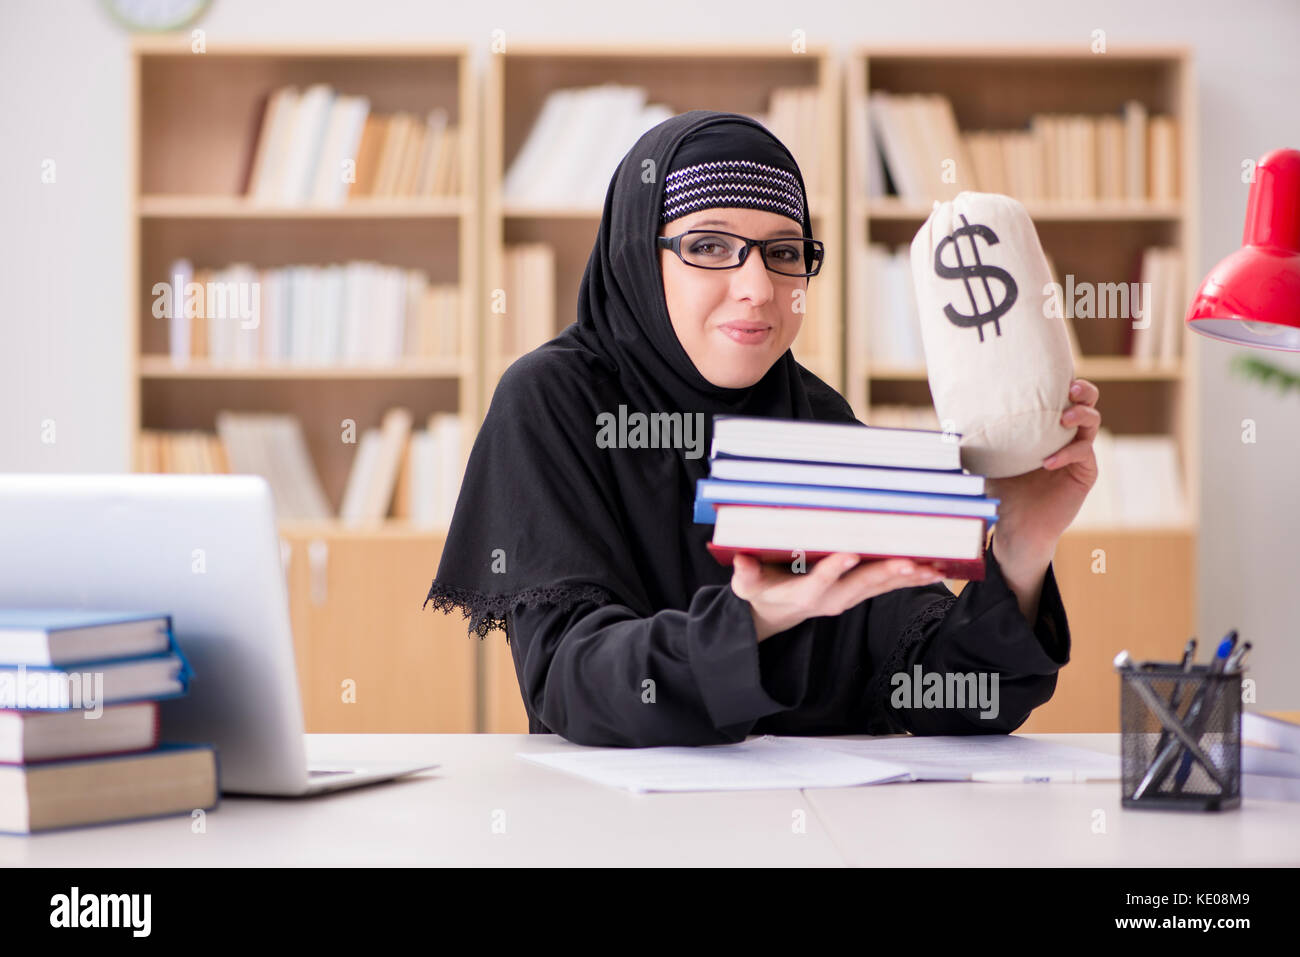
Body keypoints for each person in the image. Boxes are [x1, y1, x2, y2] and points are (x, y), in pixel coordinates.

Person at [423, 109, 1101, 747]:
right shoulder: (554, 401)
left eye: (783, 252)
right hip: (622, 821)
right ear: (638, 257)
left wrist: (1020, 550)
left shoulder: (819, 421)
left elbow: (942, 694)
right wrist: (752, 619)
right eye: (709, 245)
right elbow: (572, 681)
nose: (758, 287)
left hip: (829, 820)